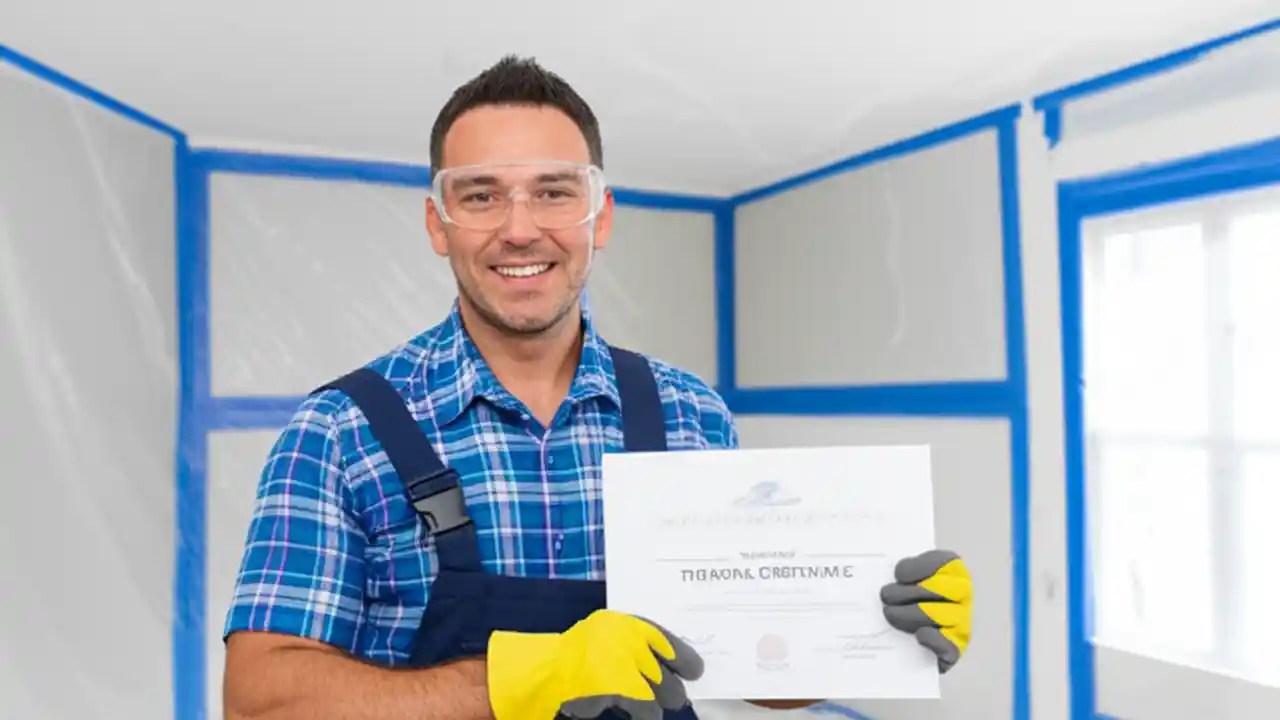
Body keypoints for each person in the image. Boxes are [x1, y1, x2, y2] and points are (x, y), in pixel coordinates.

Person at [220, 55, 974, 720]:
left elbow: (750, 667)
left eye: (554, 192)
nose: (520, 229)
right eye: (481, 195)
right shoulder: (341, 432)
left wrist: (872, 631)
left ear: (599, 216)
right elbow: (260, 703)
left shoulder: (690, 415)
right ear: (438, 223)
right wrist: (522, 681)